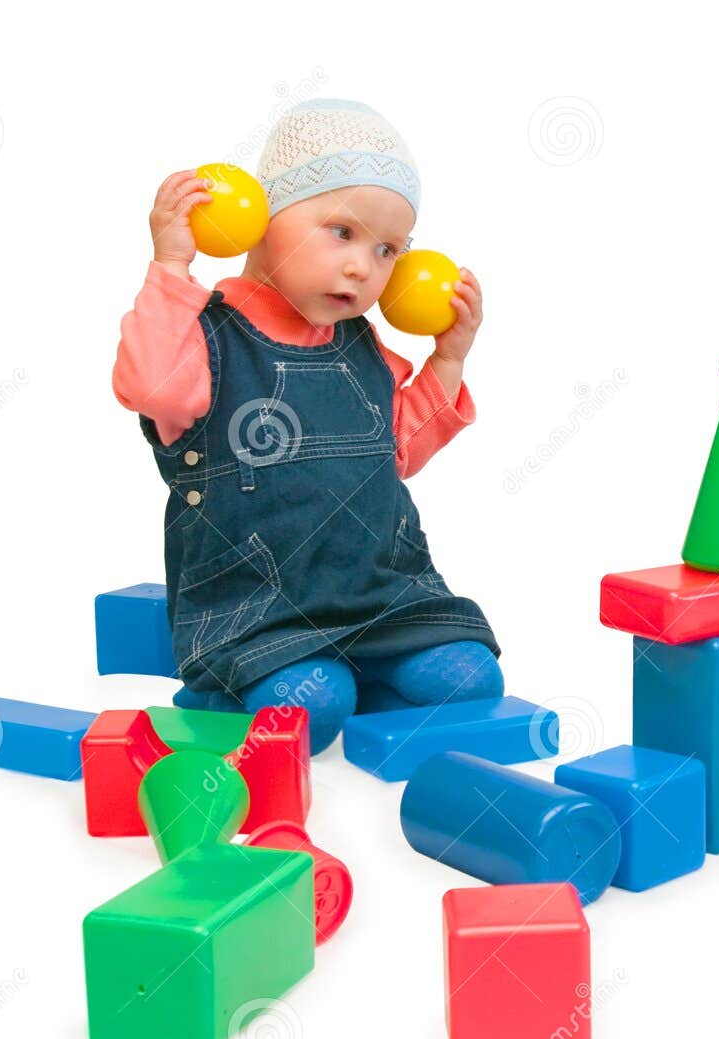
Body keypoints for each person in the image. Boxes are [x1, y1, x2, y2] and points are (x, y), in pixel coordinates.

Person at [113, 99, 500, 753]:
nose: (362, 266)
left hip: (378, 595)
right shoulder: (204, 338)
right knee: (308, 710)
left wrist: (450, 358)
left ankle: (360, 678)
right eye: (342, 232)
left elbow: (396, 450)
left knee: (470, 680)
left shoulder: (365, 347)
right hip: (257, 613)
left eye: (387, 251)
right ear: (258, 218)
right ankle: (219, 691)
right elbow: (148, 387)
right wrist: (172, 268)